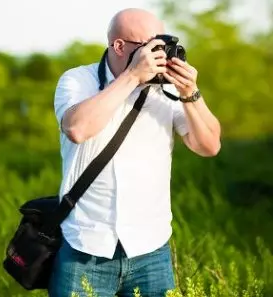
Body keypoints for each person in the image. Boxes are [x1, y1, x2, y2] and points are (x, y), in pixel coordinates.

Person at [49, 7, 221, 297]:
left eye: (164, 46)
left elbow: (209, 146)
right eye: (151, 47)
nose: (160, 56)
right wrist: (131, 77)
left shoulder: (166, 91)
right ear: (119, 46)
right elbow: (77, 129)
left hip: (150, 250)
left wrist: (190, 91)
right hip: (85, 248)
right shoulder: (79, 80)